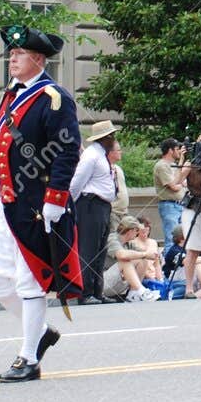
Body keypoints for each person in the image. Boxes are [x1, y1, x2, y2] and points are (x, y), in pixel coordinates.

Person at [0, 24, 82, 383]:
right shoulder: (12, 97)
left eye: (18, 54)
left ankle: (28, 357)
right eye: (11, 54)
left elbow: (66, 150)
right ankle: (42, 331)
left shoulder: (54, 97)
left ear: (37, 58)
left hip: (35, 205)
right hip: (3, 203)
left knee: (30, 281)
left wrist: (56, 198)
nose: (11, 59)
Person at [68, 120, 118, 305]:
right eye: (112, 135)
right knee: (88, 250)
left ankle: (97, 291)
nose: (114, 139)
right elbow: (77, 182)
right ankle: (85, 293)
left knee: (100, 251)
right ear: (106, 138)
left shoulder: (100, 154)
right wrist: (71, 203)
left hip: (101, 206)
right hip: (90, 205)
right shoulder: (91, 156)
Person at [104, 216, 162, 302]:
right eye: (137, 231)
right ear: (130, 231)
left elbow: (143, 254)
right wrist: (145, 254)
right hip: (103, 283)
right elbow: (121, 255)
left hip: (117, 283)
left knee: (143, 259)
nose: (137, 234)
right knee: (125, 261)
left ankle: (133, 293)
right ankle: (141, 291)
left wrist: (153, 255)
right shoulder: (112, 238)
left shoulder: (129, 244)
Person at [153, 139, 190, 250]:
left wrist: (181, 179)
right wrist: (181, 183)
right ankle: (169, 265)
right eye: (177, 149)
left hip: (180, 204)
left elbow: (180, 181)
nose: (179, 152)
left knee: (183, 238)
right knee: (172, 238)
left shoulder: (173, 165)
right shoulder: (162, 166)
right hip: (169, 205)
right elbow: (174, 186)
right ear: (170, 150)